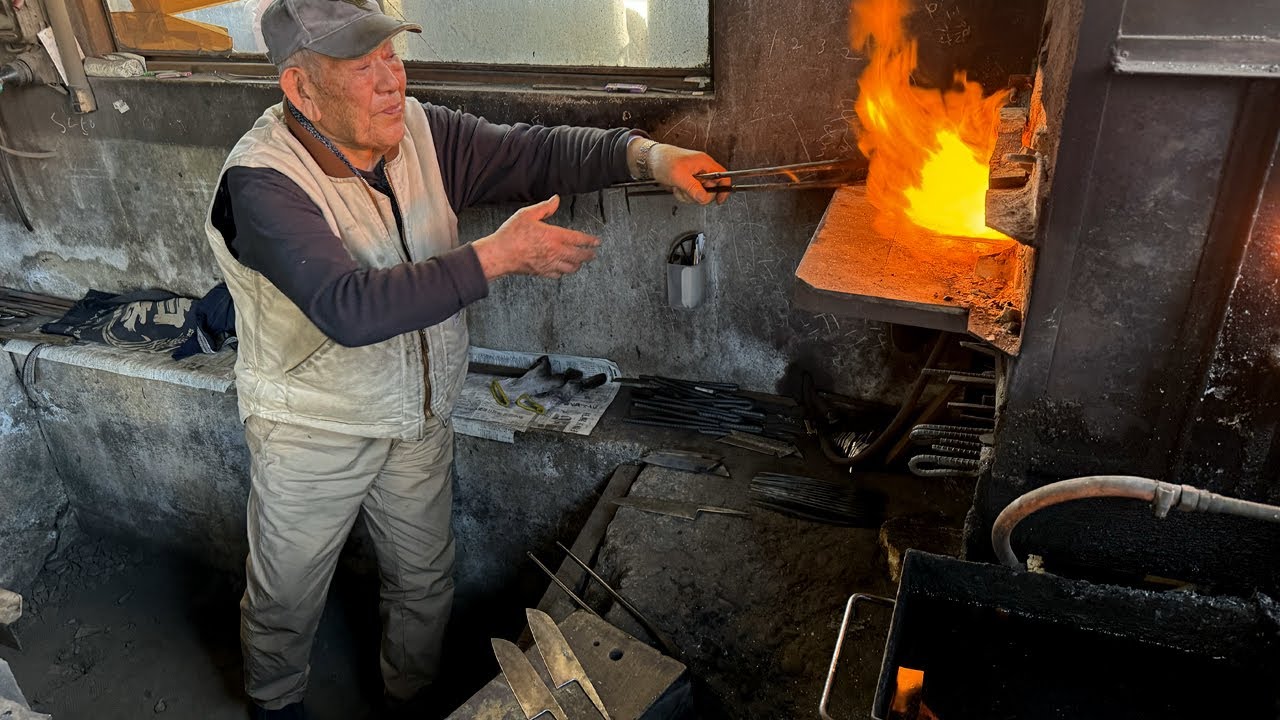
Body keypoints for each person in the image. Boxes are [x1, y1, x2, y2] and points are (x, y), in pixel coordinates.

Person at [203, 0, 729, 717]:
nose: (392, 80)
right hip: (313, 425)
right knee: (287, 592)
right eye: (363, 66)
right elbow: (350, 307)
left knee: (423, 578)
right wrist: (498, 255)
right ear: (300, 89)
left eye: (392, 56)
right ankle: (275, 704)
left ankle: (411, 702)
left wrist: (649, 156)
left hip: (417, 409)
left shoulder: (418, 130)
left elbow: (531, 152)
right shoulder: (262, 180)